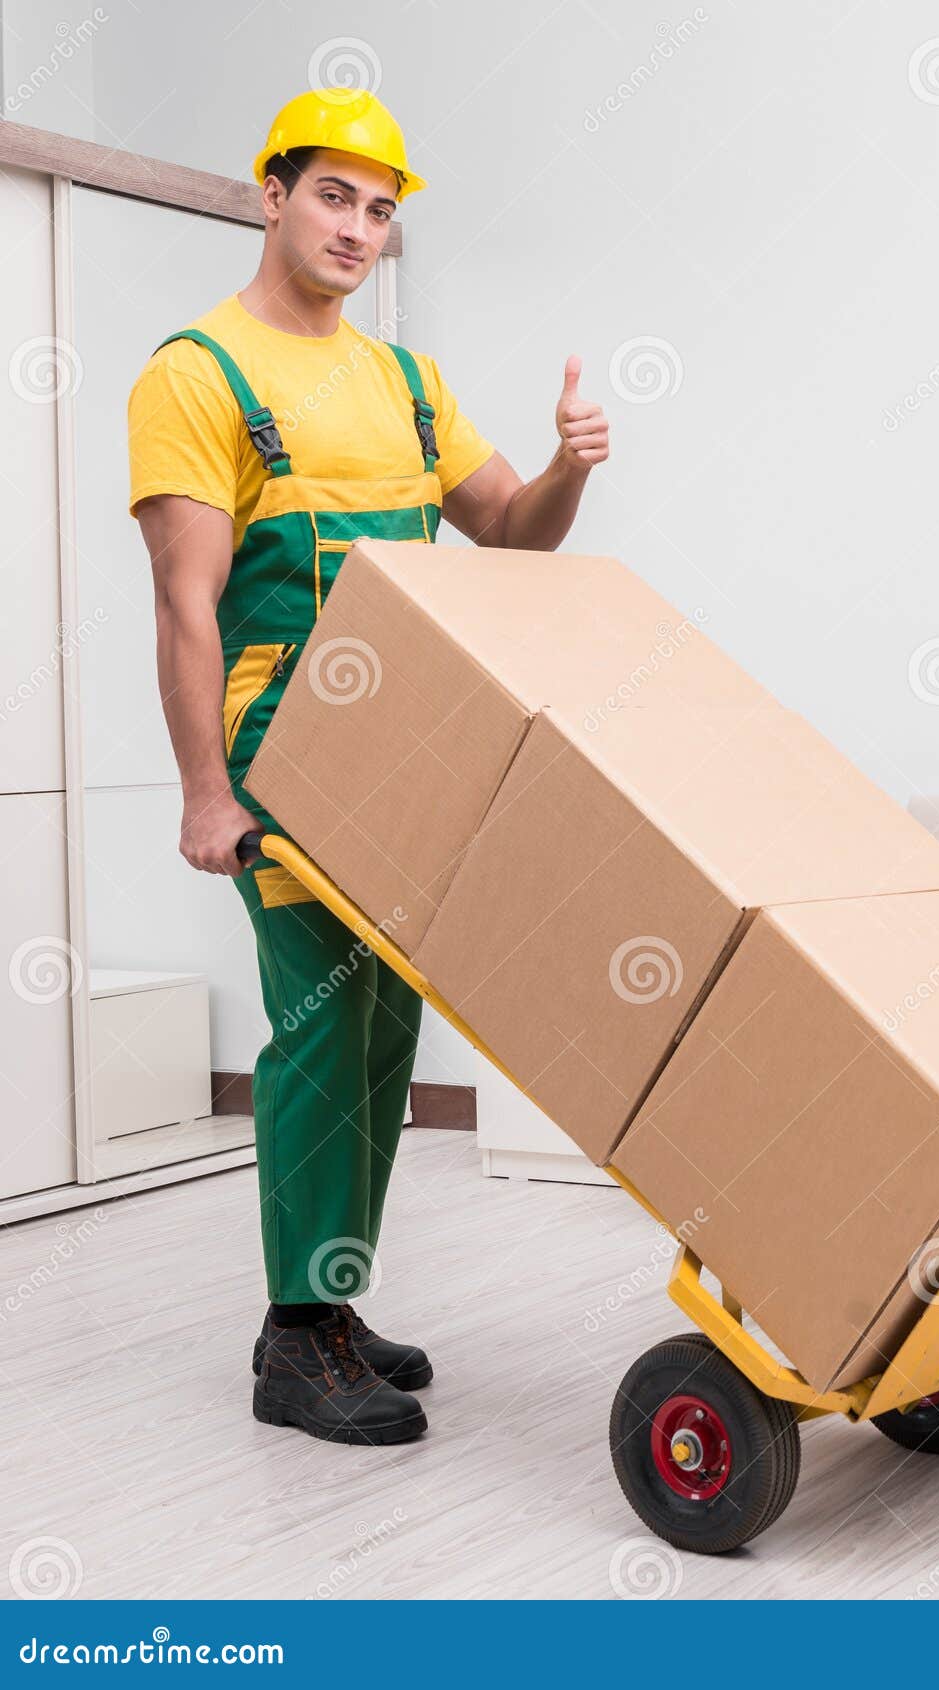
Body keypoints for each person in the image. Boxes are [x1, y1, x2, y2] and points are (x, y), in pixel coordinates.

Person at [127, 88, 609, 1446]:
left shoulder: (407, 384)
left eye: (381, 209)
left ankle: (332, 1301)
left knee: (387, 1023)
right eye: (334, 195)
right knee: (320, 1023)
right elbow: (183, 600)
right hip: (281, 745)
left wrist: (569, 467)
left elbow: (512, 533)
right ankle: (296, 1340)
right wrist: (206, 792)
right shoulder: (196, 374)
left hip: (410, 742)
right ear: (272, 193)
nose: (357, 227)